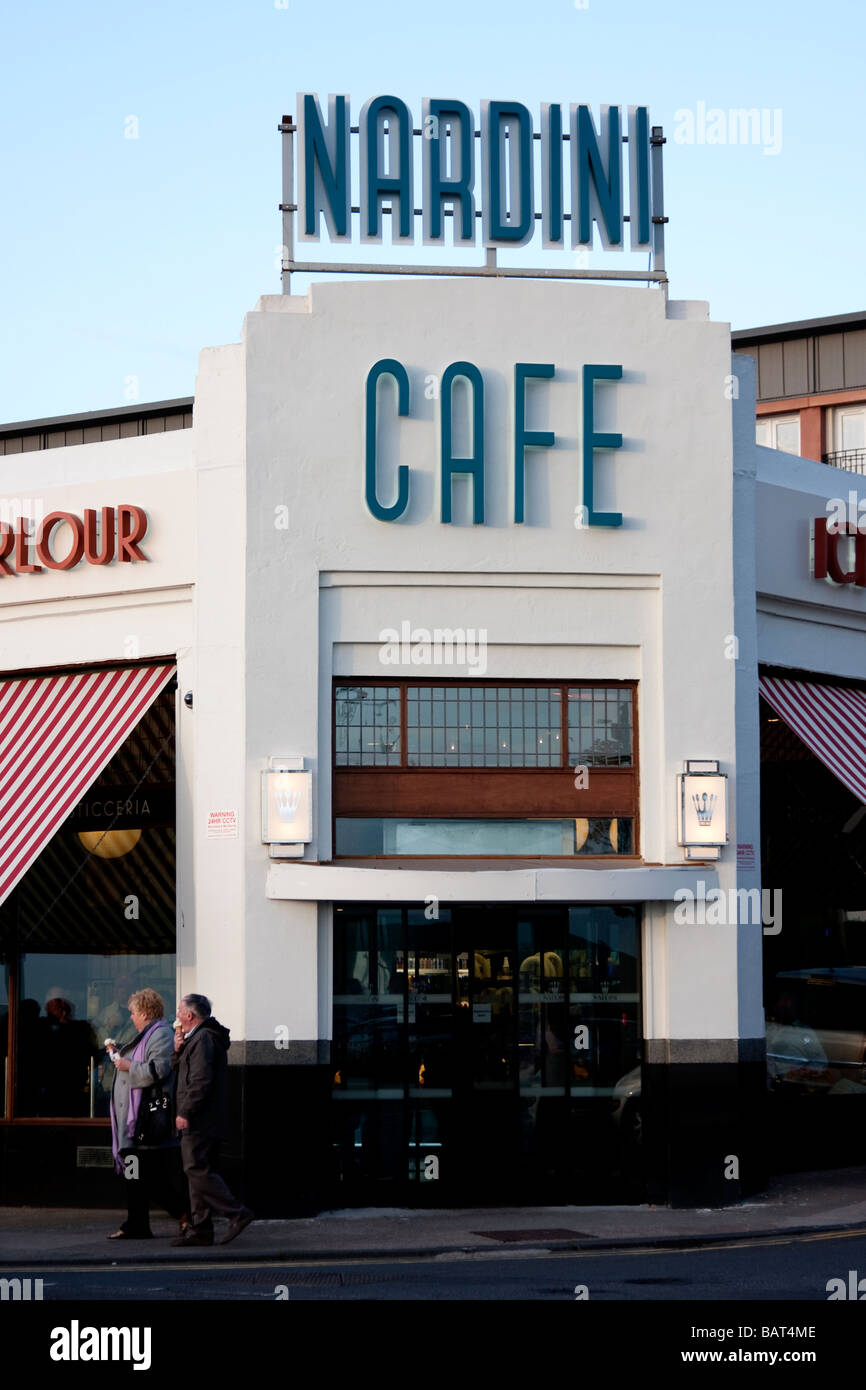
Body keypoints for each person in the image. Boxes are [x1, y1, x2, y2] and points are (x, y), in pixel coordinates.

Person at [170, 993, 254, 1247]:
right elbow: (183, 1071)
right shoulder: (196, 1038)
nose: (176, 1016)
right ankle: (200, 1229)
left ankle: (236, 1213)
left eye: (179, 1011)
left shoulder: (204, 1038)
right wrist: (177, 1049)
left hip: (200, 1117)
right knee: (197, 1170)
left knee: (195, 1168)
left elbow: (200, 1080)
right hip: (202, 1116)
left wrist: (185, 1111)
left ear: (189, 1015)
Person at [107, 988, 189, 1240]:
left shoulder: (160, 1034)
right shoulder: (145, 1035)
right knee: (134, 1177)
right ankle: (136, 1224)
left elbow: (160, 1069)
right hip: (132, 1124)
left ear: (144, 1012)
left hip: (143, 1123)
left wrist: (127, 1065)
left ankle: (185, 1215)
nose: (130, 1017)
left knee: (149, 1179)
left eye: (132, 1012)